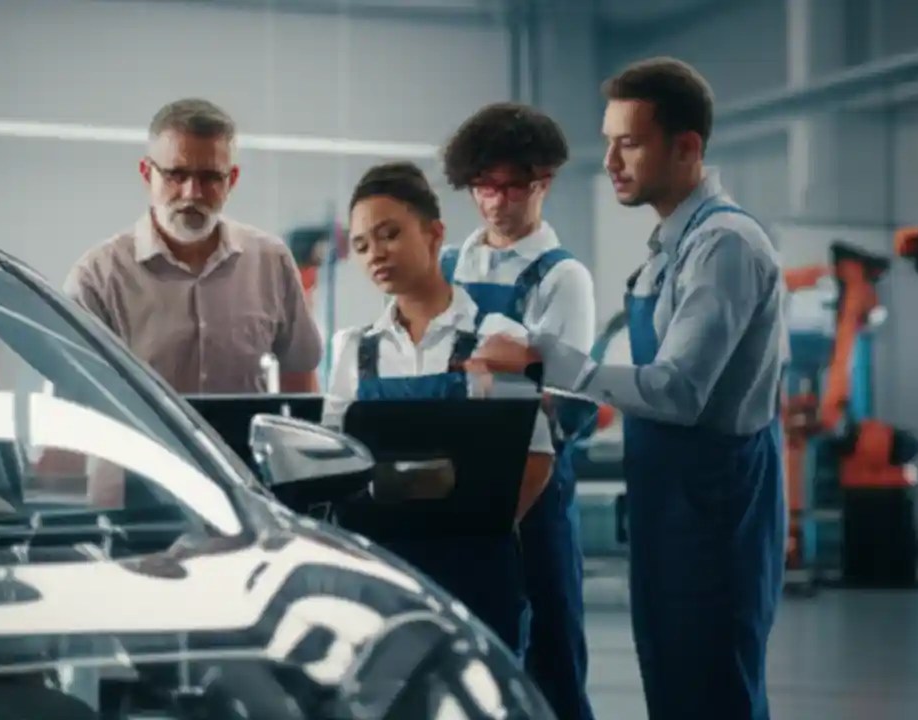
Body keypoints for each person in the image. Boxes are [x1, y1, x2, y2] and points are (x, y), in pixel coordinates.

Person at [467, 57, 788, 720]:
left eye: (630, 142)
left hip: (715, 504)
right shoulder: (672, 244)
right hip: (671, 498)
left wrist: (542, 358)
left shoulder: (724, 246)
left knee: (712, 690)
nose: (610, 159)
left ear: (687, 146)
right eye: (609, 140)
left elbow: (677, 391)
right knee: (674, 684)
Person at [322, 161, 555, 652]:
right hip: (383, 573)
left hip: (476, 571)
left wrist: (480, 528)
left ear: (434, 234)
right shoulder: (351, 350)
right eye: (362, 245)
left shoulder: (498, 339)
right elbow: (331, 459)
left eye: (390, 234)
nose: (375, 254)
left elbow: (536, 458)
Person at [439, 101, 597, 720]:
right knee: (465, 650)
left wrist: (507, 374)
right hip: (455, 483)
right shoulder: (449, 264)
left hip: (536, 486)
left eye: (512, 186)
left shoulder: (563, 279)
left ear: (544, 182)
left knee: (552, 649)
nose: (497, 201)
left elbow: (569, 406)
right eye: (484, 186)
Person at [64, 97, 322, 396]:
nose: (192, 193)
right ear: (147, 174)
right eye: (176, 175)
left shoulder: (270, 262)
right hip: (143, 443)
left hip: (240, 444)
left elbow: (300, 376)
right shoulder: (98, 277)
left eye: (210, 177)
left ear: (232, 180)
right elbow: (76, 393)